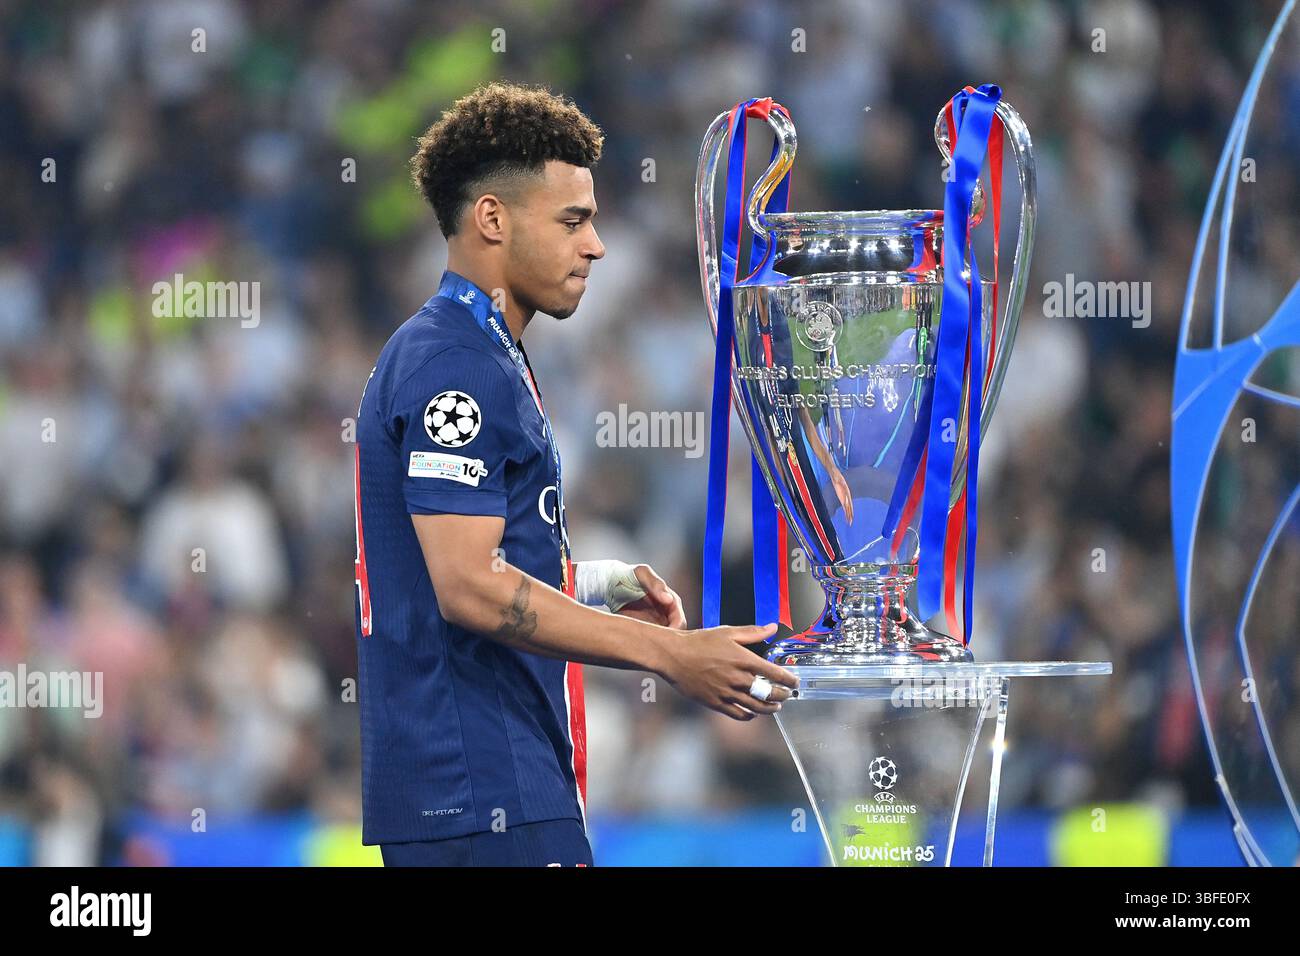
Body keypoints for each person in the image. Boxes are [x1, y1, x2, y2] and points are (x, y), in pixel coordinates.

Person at [352, 81, 798, 867]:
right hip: (483, 788)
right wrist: (668, 654)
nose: (595, 245)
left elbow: (456, 570)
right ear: (492, 218)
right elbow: (467, 586)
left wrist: (595, 582)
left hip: (477, 788)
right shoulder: (455, 364)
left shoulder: (474, 351)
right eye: (573, 221)